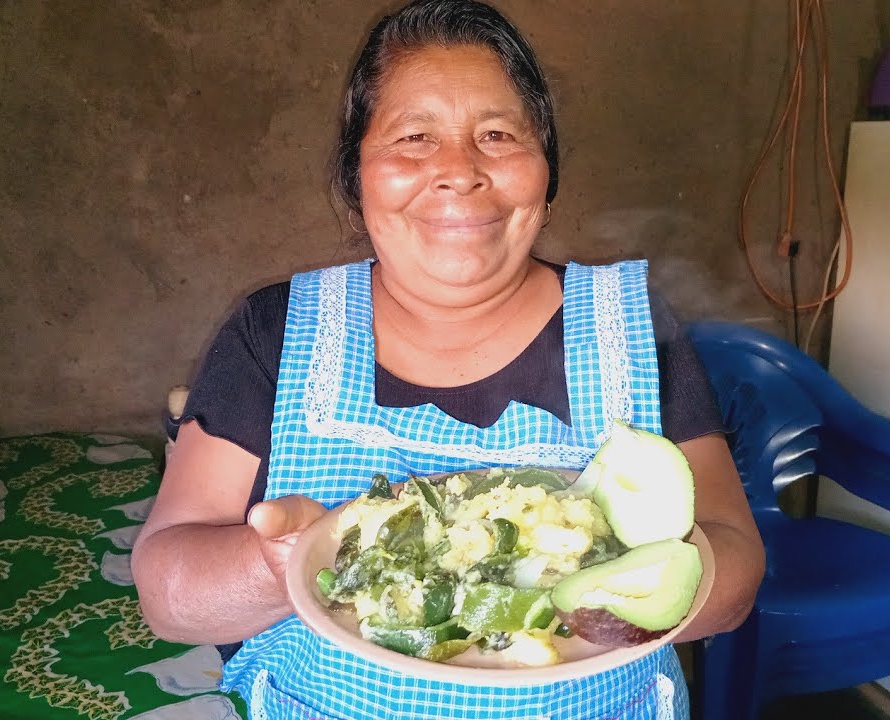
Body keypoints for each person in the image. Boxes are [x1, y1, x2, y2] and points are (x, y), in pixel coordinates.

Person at [133, 1, 765, 717]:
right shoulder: (274, 331)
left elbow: (735, 569)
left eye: (497, 134)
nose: (459, 171)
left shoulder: (633, 326)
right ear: (356, 179)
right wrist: (288, 565)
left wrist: (612, 591)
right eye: (413, 137)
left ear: (545, 173)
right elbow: (169, 597)